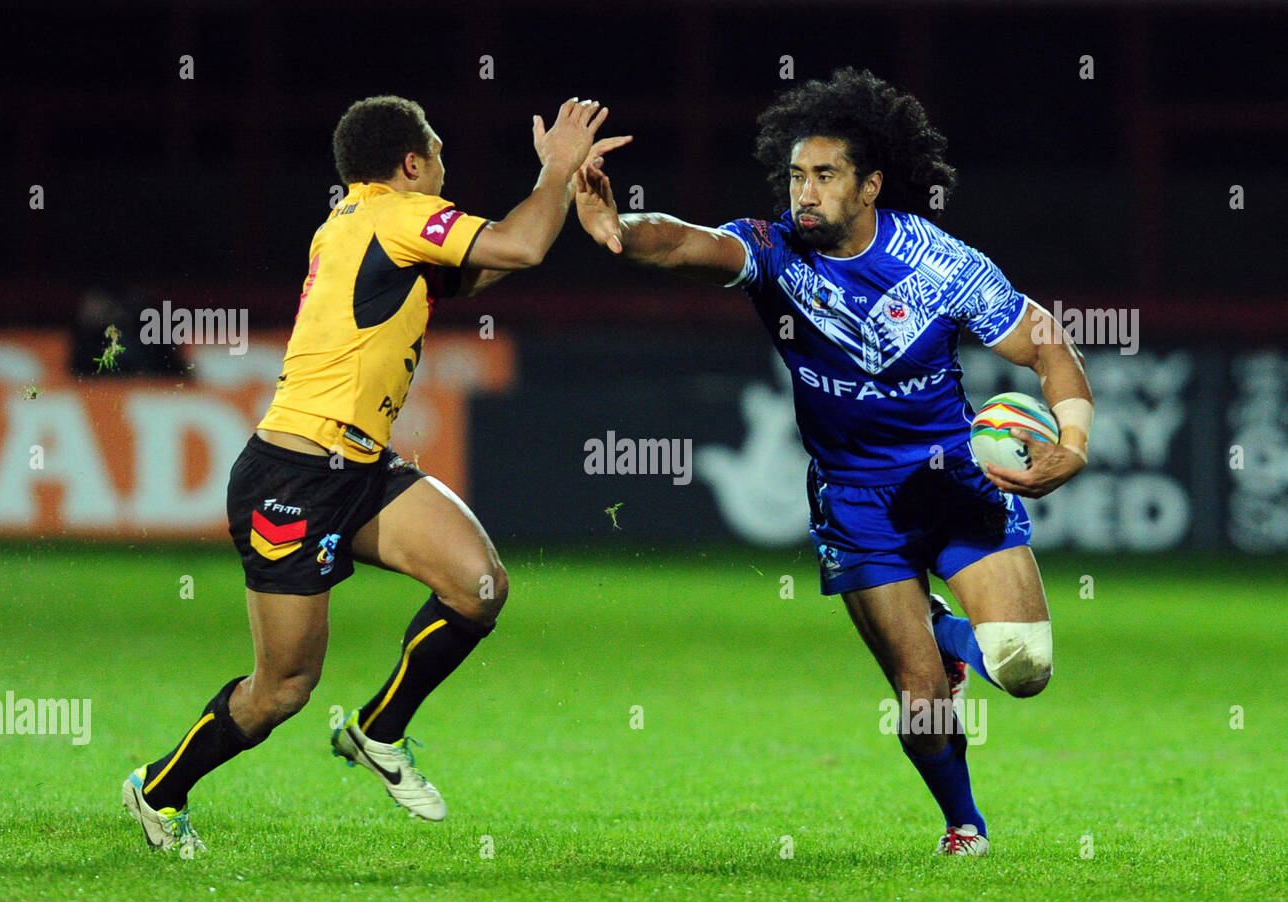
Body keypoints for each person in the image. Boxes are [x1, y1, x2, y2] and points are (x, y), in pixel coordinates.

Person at [574, 68, 1093, 856]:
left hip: (957, 483)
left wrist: (1074, 444)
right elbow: (682, 240)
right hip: (856, 501)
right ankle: (965, 825)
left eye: (824, 177)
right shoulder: (771, 250)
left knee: (1025, 669)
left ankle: (948, 638)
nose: (803, 195)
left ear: (870, 184)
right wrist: (619, 227)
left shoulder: (939, 264)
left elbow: (1049, 345)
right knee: (920, 704)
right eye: (794, 177)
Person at [123, 95, 629, 856]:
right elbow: (516, 248)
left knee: (477, 585)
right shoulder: (391, 217)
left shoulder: (354, 222)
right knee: (284, 689)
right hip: (292, 479)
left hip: (356, 466)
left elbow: (489, 263)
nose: (446, 167)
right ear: (411, 163)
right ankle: (158, 790)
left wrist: (558, 195)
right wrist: (554, 170)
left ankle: (377, 731)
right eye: (440, 152)